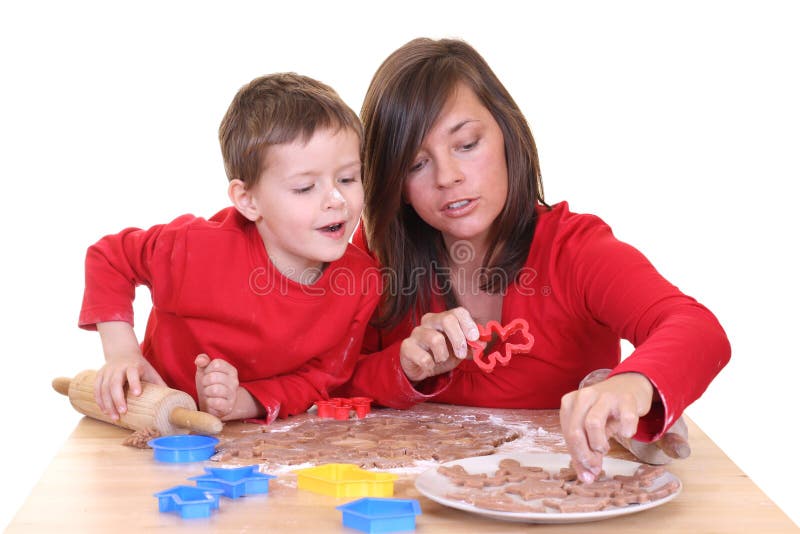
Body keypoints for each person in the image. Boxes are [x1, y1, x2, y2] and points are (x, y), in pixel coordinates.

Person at [340, 38, 731, 483]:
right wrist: (403, 367)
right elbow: (336, 376)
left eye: (466, 144)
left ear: (508, 135)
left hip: (564, 496)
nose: (448, 177)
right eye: (416, 164)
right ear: (395, 184)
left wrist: (634, 383)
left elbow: (697, 328)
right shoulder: (379, 253)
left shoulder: (575, 250)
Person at [79, 73, 380, 425]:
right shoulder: (198, 248)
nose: (337, 199)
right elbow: (111, 258)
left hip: (243, 438)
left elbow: (321, 378)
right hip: (150, 423)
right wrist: (122, 354)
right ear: (248, 201)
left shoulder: (361, 282)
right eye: (304, 187)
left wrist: (243, 401)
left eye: (348, 179)